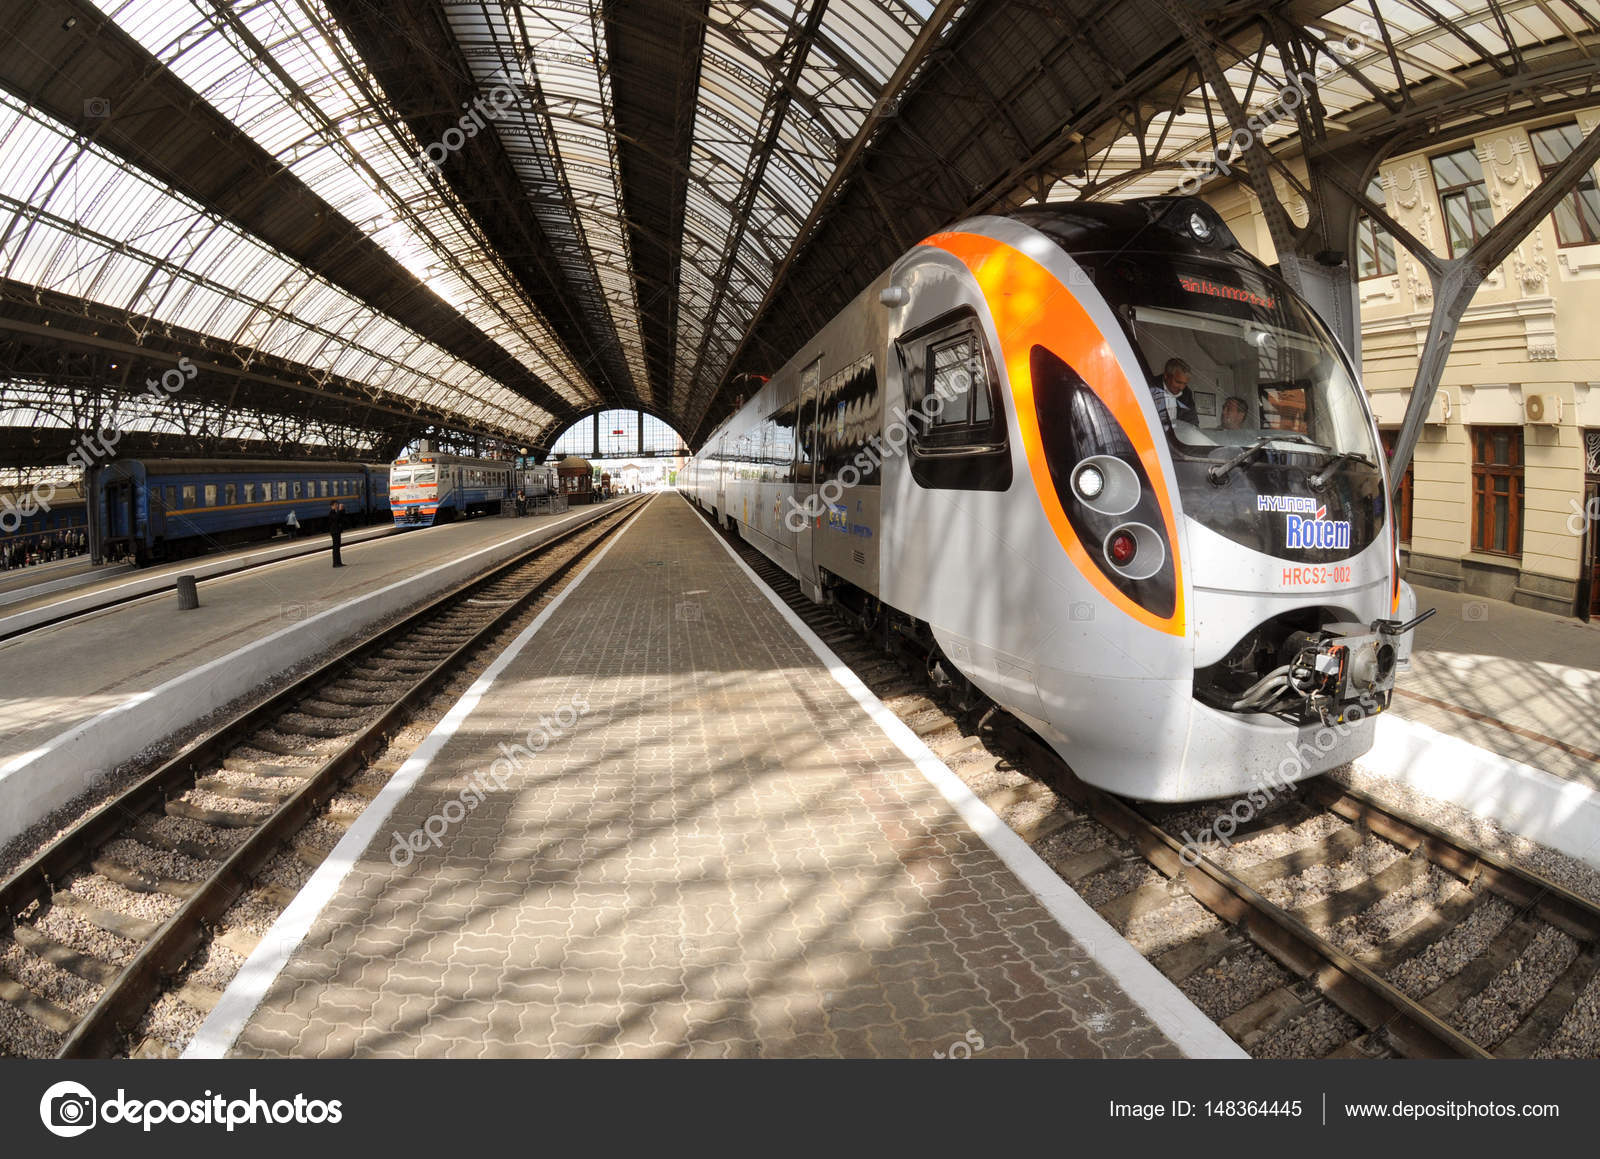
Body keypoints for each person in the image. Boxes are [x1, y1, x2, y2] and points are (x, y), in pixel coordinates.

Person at [1152, 357, 1198, 426]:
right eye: (1178, 382)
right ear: (1166, 375)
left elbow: (1192, 422)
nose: (1181, 388)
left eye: (1185, 384)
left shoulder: (1186, 393)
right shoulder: (1149, 387)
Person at [328, 499, 345, 567]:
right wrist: (340, 511)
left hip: (337, 531)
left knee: (338, 547)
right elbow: (336, 519)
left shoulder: (336, 512)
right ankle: (335, 563)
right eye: (335, 505)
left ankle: (339, 562)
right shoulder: (331, 513)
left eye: (337, 504)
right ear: (332, 506)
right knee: (335, 547)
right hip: (334, 532)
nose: (337, 506)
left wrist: (342, 510)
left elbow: (341, 517)